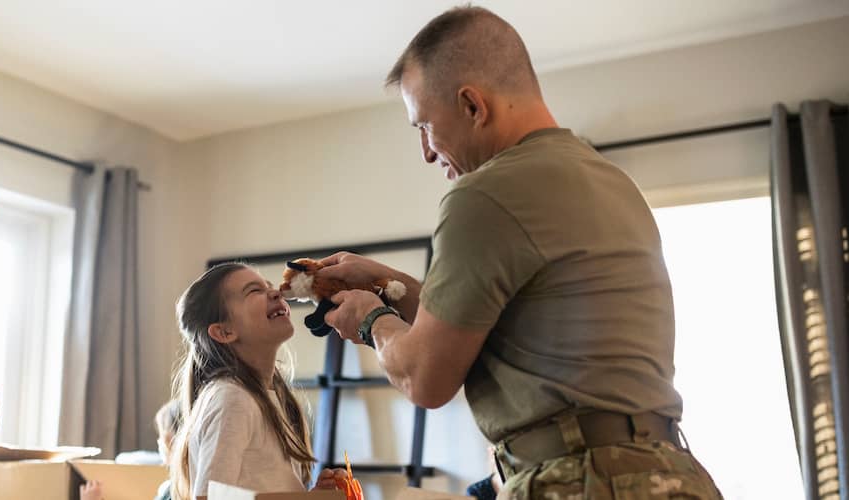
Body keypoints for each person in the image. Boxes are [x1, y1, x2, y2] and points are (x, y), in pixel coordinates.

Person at [318, 6, 722, 498]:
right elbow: (496, 324)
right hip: (665, 473)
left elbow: (426, 378)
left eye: (424, 125)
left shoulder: (484, 195)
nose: (426, 152)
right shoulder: (609, 181)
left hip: (582, 482)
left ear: (472, 105)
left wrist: (370, 319)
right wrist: (383, 280)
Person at [169, 263, 348, 500]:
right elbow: (209, 497)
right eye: (254, 291)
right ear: (224, 332)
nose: (276, 293)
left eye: (270, 287)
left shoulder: (270, 396)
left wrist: (314, 496)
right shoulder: (231, 399)